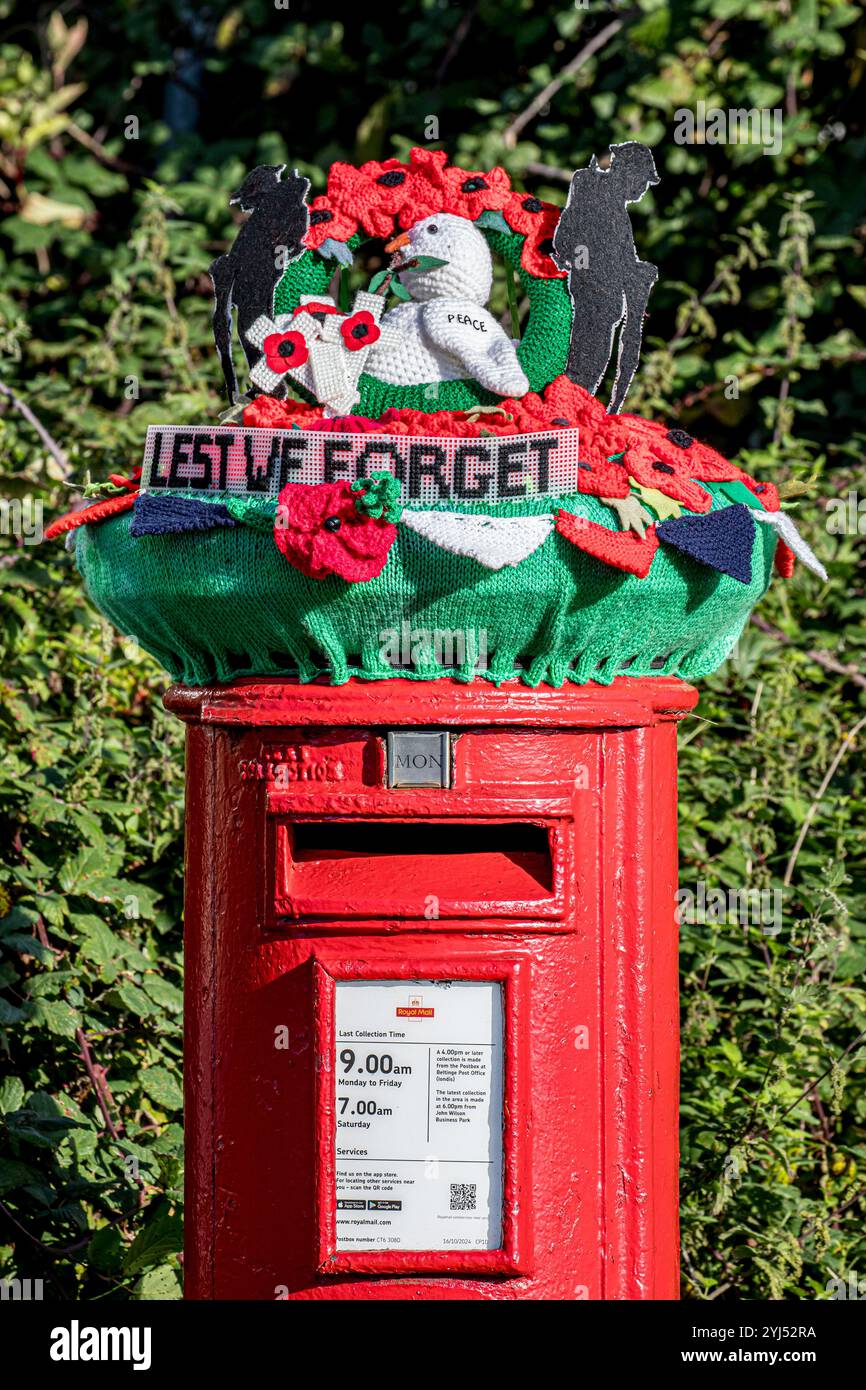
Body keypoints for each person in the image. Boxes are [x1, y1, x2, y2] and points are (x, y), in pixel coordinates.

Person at [552, 142, 659, 414]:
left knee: (591, 368)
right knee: (582, 367)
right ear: (626, 171)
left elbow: (619, 257)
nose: (642, 190)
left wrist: (638, 270)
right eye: (641, 181)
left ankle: (572, 413)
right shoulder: (590, 185)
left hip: (604, 305)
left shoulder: (619, 214)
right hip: (590, 300)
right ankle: (562, 416)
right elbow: (575, 241)